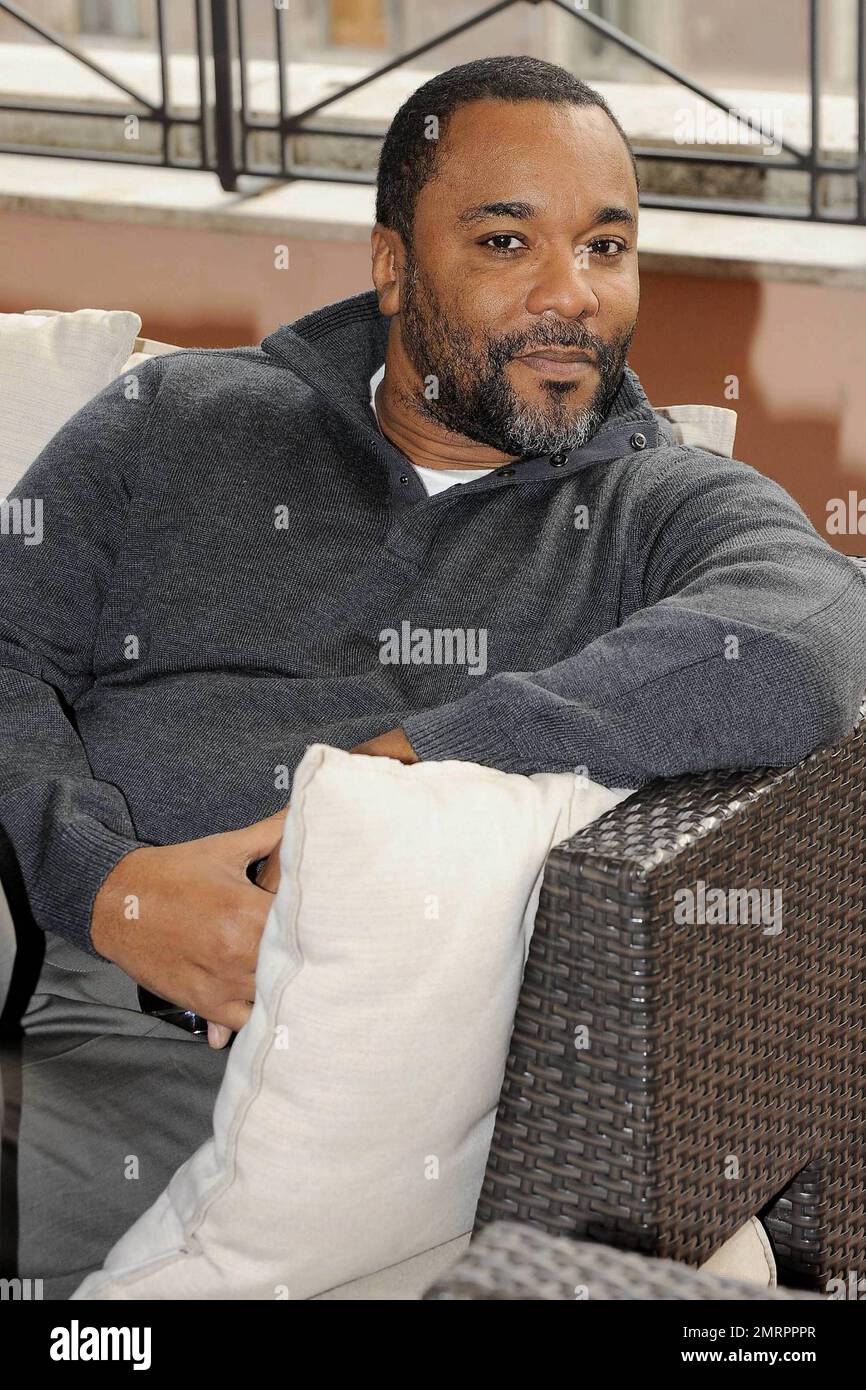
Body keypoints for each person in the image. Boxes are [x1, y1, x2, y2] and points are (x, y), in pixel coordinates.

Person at [1, 55, 865, 1298]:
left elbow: (808, 636)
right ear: (394, 262)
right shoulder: (175, 420)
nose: (570, 295)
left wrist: (402, 771)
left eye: (607, 247)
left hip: (420, 1086)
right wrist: (105, 884)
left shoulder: (658, 503)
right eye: (508, 240)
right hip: (99, 1010)